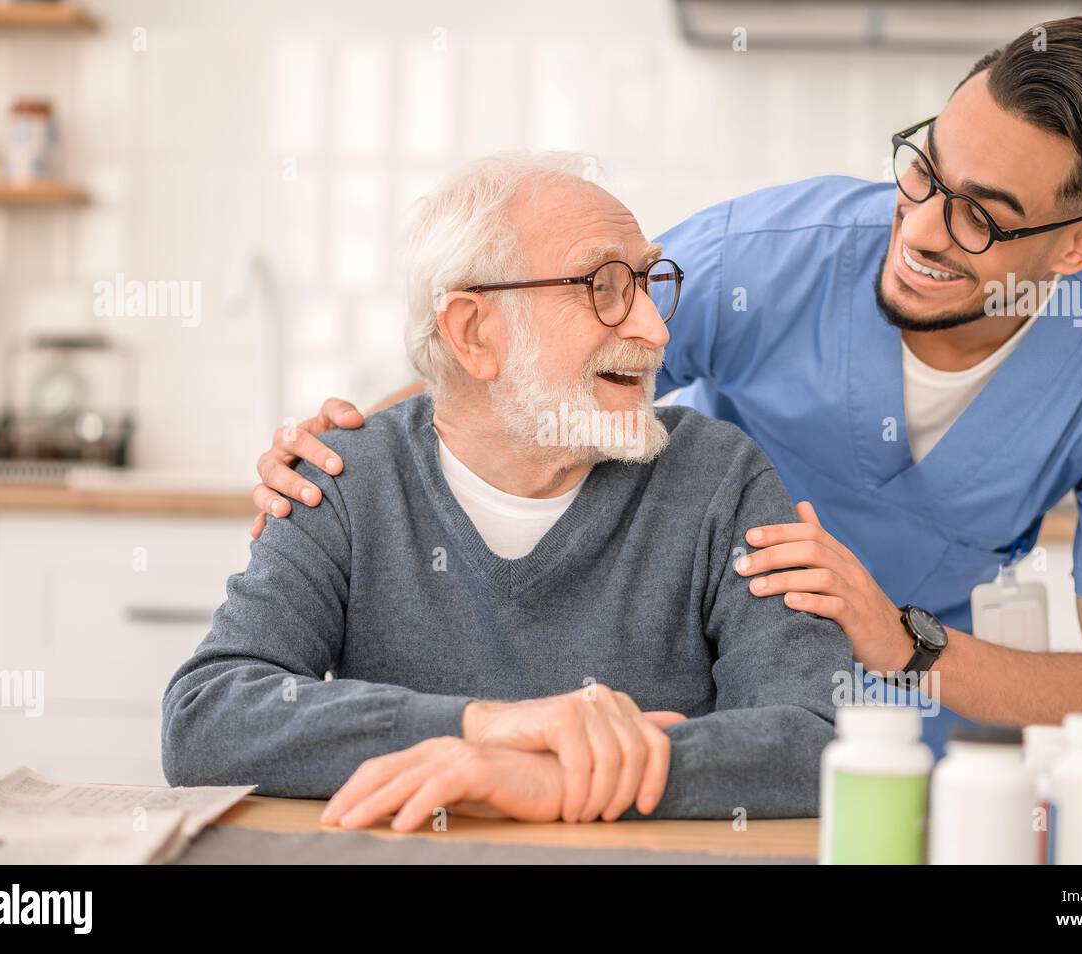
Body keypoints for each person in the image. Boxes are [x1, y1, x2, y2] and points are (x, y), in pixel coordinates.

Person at [250, 16, 1082, 766]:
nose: (916, 227)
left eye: (980, 220)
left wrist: (905, 645)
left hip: (902, 727)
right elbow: (538, 348)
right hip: (698, 706)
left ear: (1079, 246)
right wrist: (347, 454)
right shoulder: (768, 260)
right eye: (923, 167)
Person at [162, 153, 852, 831]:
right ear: (473, 333)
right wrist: (485, 728)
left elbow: (817, 735)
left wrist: (550, 780)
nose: (656, 328)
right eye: (604, 287)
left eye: (647, 282)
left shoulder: (718, 475)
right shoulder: (345, 482)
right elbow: (208, 718)